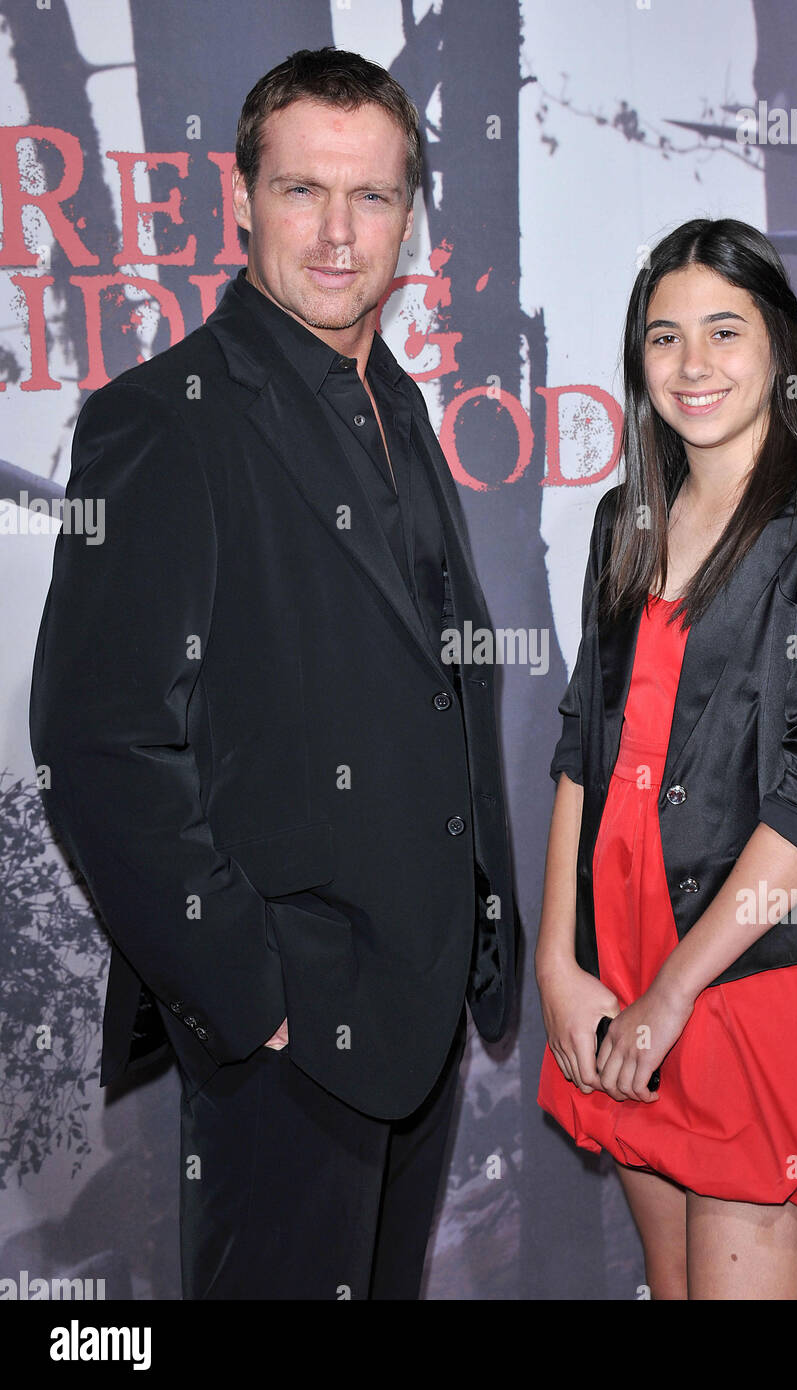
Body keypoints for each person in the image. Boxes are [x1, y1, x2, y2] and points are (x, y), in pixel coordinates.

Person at [30, 47, 517, 1301]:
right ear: (241, 197)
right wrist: (257, 999)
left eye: (373, 197)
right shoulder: (165, 418)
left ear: (410, 212)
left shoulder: (399, 406)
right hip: (293, 1031)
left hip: (418, 1016)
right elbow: (100, 746)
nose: (341, 234)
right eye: (304, 191)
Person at [536, 218, 797, 1301]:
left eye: (723, 330)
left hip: (759, 954)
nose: (692, 365)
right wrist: (559, 960)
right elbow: (584, 737)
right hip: (622, 934)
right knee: (673, 1282)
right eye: (664, 338)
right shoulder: (627, 515)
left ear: (778, 348)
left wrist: (674, 989)